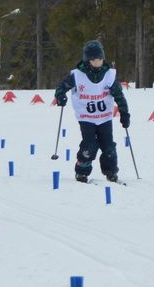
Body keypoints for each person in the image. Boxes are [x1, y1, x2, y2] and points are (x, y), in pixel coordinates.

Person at [53, 40, 130, 183]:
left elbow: (119, 96)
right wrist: (60, 95)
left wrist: (125, 114)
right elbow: (61, 87)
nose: (97, 62)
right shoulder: (77, 75)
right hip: (86, 118)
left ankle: (111, 171)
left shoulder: (109, 75)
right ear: (88, 60)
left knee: (108, 146)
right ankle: (82, 171)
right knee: (89, 145)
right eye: (94, 60)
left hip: (104, 118)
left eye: (100, 59)